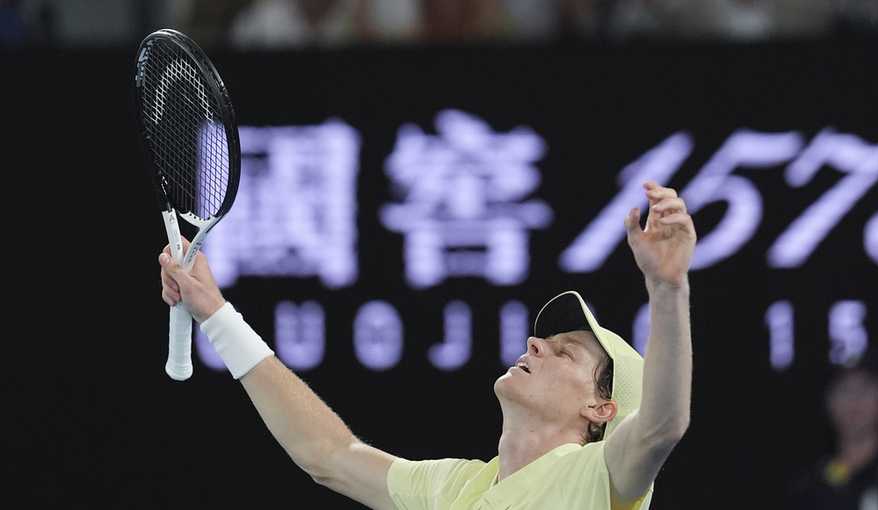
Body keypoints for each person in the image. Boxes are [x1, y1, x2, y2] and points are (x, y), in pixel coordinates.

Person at [158, 181, 695, 509]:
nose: (536, 343)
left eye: (566, 351)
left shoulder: (598, 477)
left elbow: (662, 427)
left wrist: (668, 288)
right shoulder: (456, 489)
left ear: (601, 409)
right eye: (547, 339)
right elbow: (329, 455)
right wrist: (217, 314)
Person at [787, 352, 878, 509]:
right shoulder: (808, 484)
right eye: (843, 389)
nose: (854, 400)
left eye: (865, 388)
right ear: (828, 402)